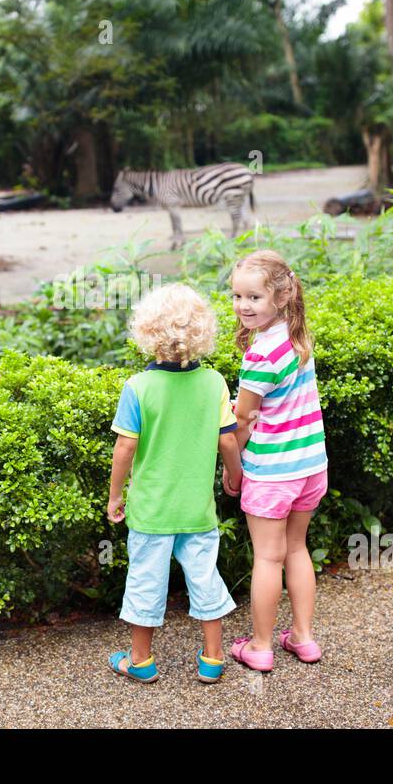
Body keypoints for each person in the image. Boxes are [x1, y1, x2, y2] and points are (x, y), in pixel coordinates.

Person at [106, 282, 242, 684]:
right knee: (205, 577)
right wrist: (235, 475)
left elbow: (125, 449)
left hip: (152, 512)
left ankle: (141, 660)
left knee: (146, 580)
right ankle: (213, 658)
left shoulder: (138, 388)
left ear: (147, 332)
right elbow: (228, 439)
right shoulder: (214, 383)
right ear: (203, 331)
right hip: (198, 510)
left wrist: (116, 494)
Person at [224, 249, 328, 672]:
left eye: (253, 298)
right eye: (236, 297)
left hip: (272, 473)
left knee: (267, 558)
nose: (243, 306)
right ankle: (303, 638)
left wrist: (234, 462)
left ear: (281, 297)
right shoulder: (297, 337)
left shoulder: (261, 356)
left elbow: (244, 420)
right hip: (310, 466)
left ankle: (261, 646)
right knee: (297, 548)